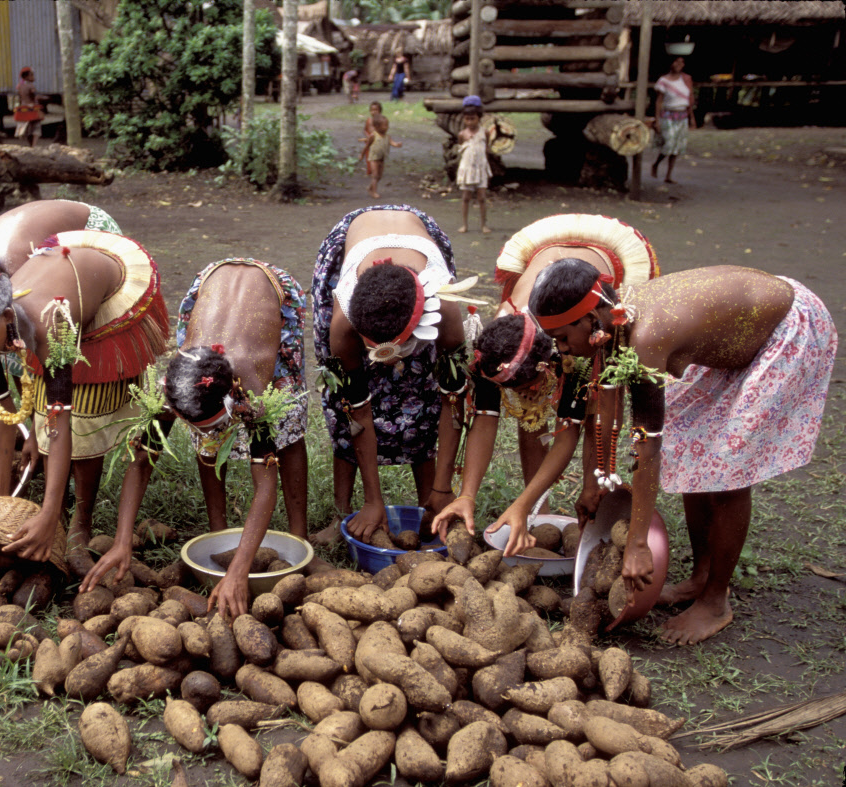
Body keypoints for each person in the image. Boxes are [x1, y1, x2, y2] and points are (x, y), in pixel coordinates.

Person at [528, 259, 835, 644]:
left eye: (561, 337)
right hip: (735, 335)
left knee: (727, 471)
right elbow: (606, 408)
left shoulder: (644, 338)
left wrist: (638, 544)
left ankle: (715, 601)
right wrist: (593, 485)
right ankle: (700, 577)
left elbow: (647, 445)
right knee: (691, 447)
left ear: (591, 318)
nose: (561, 349)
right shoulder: (611, 323)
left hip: (783, 331)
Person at [80, 259, 317, 617]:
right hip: (211, 283)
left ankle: (300, 536)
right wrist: (122, 539)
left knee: (288, 427)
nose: (205, 435)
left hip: (271, 290)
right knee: (208, 444)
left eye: (213, 424)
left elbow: (265, 482)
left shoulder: (251, 386)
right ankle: (217, 532)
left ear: (233, 399)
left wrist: (239, 571)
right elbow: (142, 460)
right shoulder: (174, 387)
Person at [0, 228, 168, 562]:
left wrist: (47, 512)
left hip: (106, 288)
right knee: (45, 409)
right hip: (55, 290)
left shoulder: (49, 328)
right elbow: (2, 410)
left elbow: (59, 424)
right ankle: (58, 509)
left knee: (85, 415)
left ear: (7, 318)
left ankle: (80, 520)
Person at [433, 214, 661, 544]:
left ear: (548, 367)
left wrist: (587, 484)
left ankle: (592, 490)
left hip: (601, 271)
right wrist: (467, 494)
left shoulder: (577, 343)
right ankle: (539, 511)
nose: (526, 398)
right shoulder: (494, 347)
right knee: (531, 418)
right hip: (544, 264)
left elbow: (569, 430)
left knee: (596, 407)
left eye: (530, 389)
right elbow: (484, 417)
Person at [310, 206, 481, 545]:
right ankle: (342, 514)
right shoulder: (343, 321)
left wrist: (444, 486)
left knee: (423, 395)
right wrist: (373, 501)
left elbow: (452, 398)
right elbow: (355, 409)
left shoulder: (444, 309)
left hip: (416, 238)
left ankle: (432, 500)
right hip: (357, 236)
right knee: (340, 406)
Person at [0, 200, 123, 444]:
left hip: (85, 232)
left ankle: (58, 429)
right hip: (24, 257)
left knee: (39, 341)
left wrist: (44, 427)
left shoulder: (15, 272)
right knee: (6, 342)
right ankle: (40, 429)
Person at [652, 56, 696, 183]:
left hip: (682, 116)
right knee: (669, 144)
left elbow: (689, 101)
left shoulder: (686, 79)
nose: (679, 64)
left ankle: (668, 175)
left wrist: (692, 118)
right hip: (668, 116)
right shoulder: (663, 81)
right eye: (676, 61)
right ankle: (656, 164)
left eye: (681, 62)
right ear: (671, 63)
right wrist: (657, 120)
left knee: (677, 147)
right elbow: (658, 101)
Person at [456, 95, 494, 234]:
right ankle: (464, 225)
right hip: (467, 169)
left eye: (473, 118)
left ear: (479, 118)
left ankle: (484, 224)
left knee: (482, 198)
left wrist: (486, 166)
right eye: (467, 119)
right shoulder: (462, 134)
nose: (470, 122)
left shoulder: (485, 132)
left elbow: (486, 149)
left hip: (481, 169)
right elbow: (461, 149)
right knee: (465, 198)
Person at [364, 116, 401, 200]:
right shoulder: (373, 135)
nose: (387, 127)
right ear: (377, 126)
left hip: (381, 158)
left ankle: (370, 188)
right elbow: (367, 146)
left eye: (387, 125)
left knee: (379, 176)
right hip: (374, 158)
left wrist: (397, 144)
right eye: (385, 125)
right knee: (375, 175)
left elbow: (393, 143)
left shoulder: (387, 136)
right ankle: (374, 192)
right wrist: (362, 154)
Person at [14, 67, 42, 148]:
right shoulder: (30, 86)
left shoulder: (20, 86)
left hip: (23, 108)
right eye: (31, 75)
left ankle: (30, 145)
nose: (33, 77)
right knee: (36, 127)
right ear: (26, 77)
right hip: (32, 109)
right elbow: (35, 96)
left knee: (28, 128)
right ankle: (34, 145)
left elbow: (20, 98)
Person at [358, 101, 383, 170]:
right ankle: (370, 170)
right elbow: (365, 130)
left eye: (376, 110)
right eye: (372, 110)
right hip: (369, 142)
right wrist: (367, 136)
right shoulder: (369, 120)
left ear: (380, 111)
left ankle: (377, 170)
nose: (374, 112)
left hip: (377, 143)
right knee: (369, 157)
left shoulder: (381, 121)